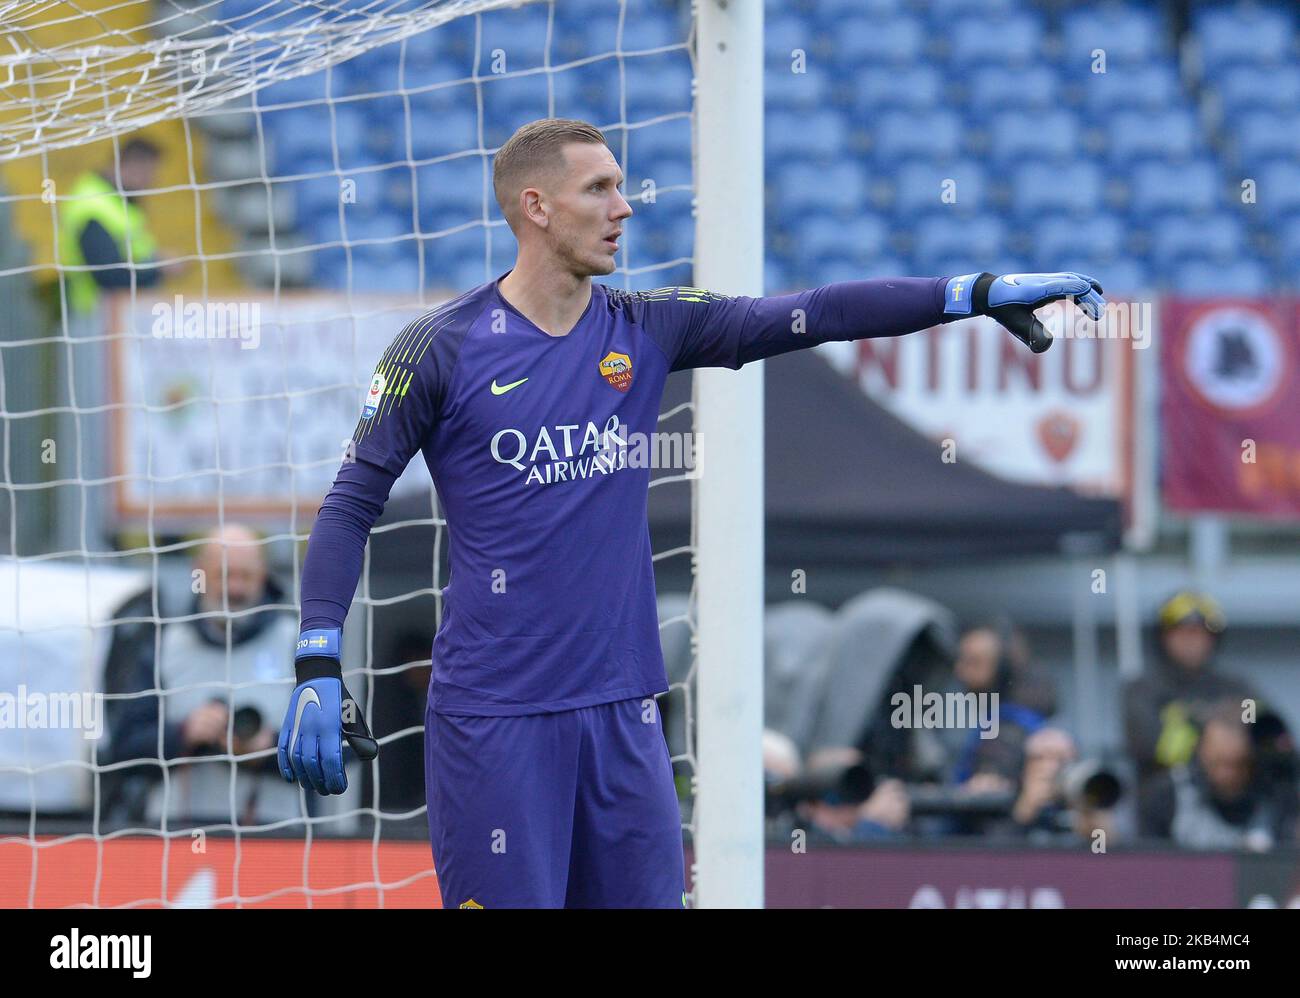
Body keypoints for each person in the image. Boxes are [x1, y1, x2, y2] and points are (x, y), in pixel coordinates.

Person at [277, 117, 1106, 908]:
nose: (624, 206)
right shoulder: (441, 348)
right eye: (599, 189)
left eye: (622, 186)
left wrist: (969, 292)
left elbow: (810, 312)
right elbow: (351, 504)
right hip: (497, 722)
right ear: (536, 207)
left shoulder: (647, 327)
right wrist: (318, 658)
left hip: (627, 714)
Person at [102, 524, 298, 828]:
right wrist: (184, 733)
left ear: (263, 576)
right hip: (177, 837)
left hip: (276, 838)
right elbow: (123, 747)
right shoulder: (164, 644)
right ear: (200, 574)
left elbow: (345, 747)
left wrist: (270, 749)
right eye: (224, 574)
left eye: (245, 576)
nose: (235, 588)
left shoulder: (297, 643)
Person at [1139, 708, 1297, 850]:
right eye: (1216, 763)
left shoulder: (1278, 795)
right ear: (1200, 751)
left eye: (1238, 764)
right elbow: (1149, 863)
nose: (1226, 774)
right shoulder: (1166, 794)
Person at [57, 136, 181, 314]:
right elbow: (110, 275)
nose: (152, 181)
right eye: (149, 173)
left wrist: (154, 260)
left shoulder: (117, 201)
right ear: (131, 166)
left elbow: (129, 254)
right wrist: (159, 267)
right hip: (99, 318)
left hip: (121, 314)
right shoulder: (93, 205)